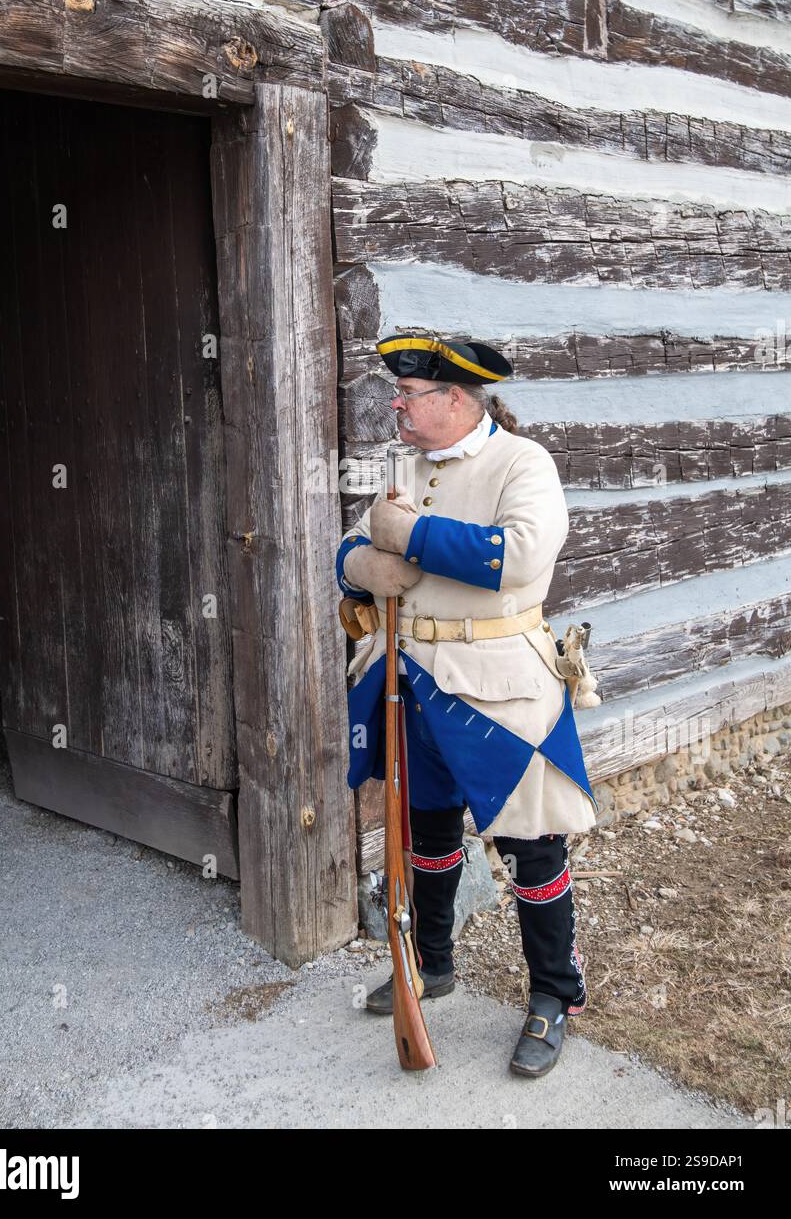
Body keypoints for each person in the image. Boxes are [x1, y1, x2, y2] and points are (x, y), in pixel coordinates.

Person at [335, 332, 598, 1078]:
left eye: (409, 394)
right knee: (428, 830)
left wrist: (411, 535)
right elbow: (346, 554)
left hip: (502, 690)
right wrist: (367, 565)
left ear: (455, 398)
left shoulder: (524, 462)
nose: (396, 403)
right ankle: (433, 963)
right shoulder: (402, 468)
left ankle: (553, 995)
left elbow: (516, 556)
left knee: (533, 847)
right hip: (412, 680)